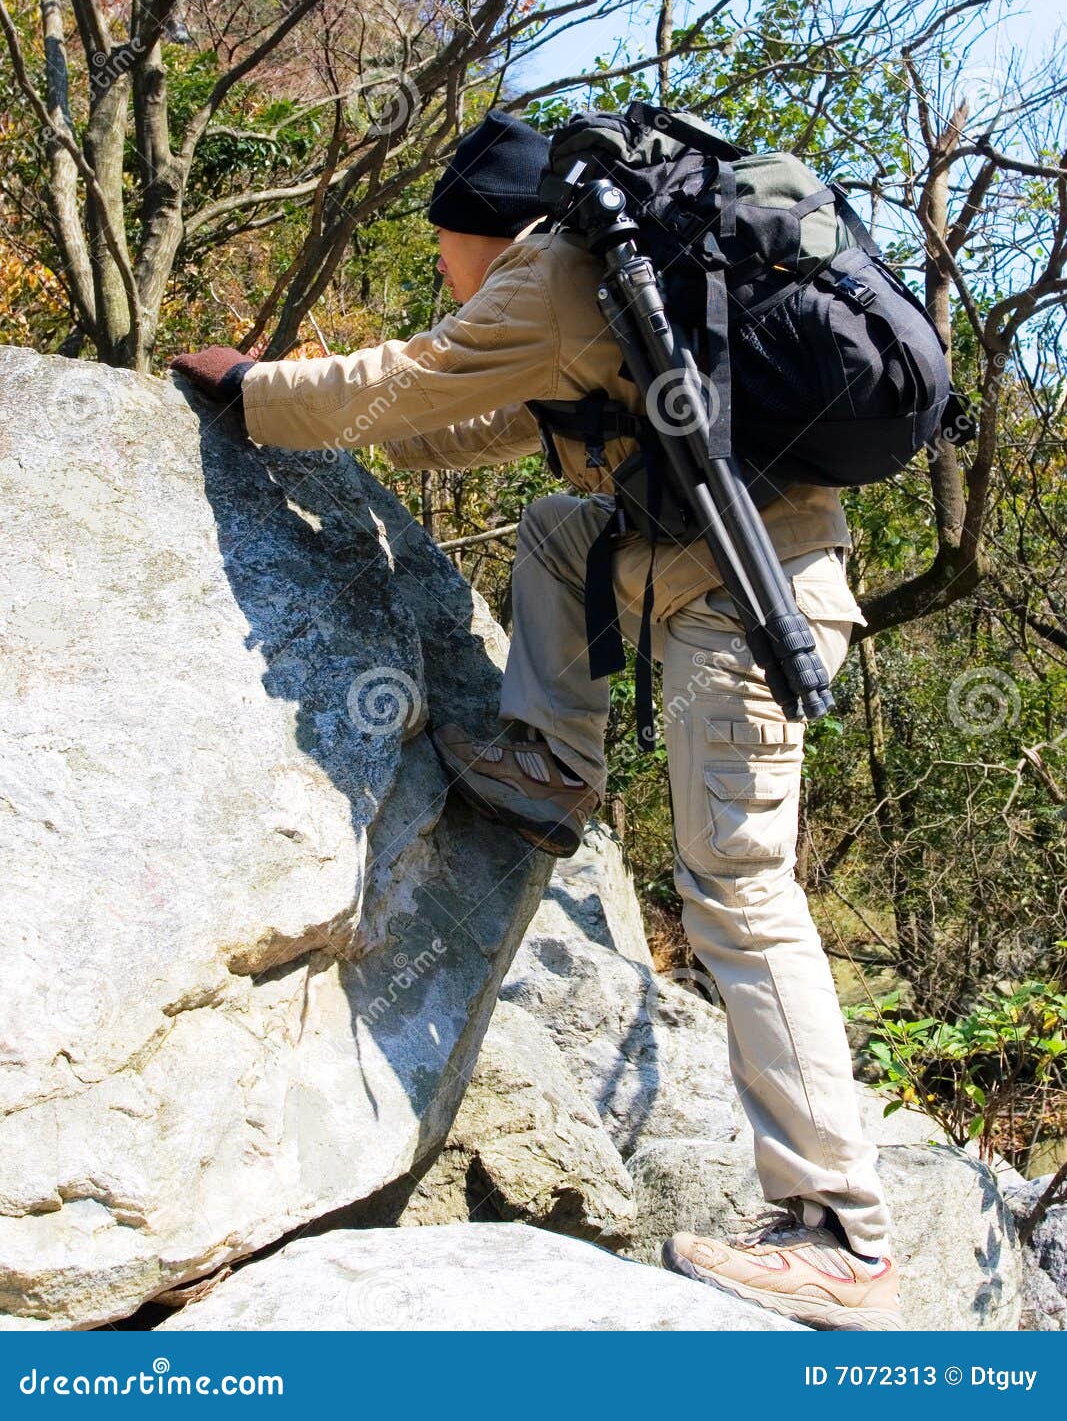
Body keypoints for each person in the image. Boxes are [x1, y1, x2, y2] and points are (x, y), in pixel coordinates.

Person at [172, 109, 902, 1331]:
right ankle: (551, 763)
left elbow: (399, 383)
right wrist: (328, 422)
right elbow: (463, 425)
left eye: (447, 247)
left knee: (736, 890)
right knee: (562, 525)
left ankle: (840, 1231)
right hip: (692, 568)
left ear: (484, 231)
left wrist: (251, 392)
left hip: (744, 605)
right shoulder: (602, 299)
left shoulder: (548, 274)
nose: (445, 274)